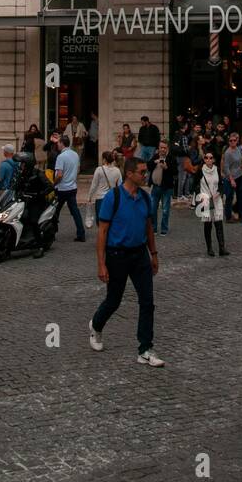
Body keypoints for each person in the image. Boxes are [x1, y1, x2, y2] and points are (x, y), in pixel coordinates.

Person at [89, 157, 164, 367]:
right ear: (129, 174)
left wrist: (154, 254)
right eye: (141, 172)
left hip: (140, 254)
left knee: (147, 302)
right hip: (117, 255)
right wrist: (101, 264)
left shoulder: (145, 198)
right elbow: (102, 232)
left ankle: (145, 349)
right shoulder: (113, 197)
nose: (145, 175)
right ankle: (96, 325)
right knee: (114, 301)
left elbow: (149, 227)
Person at [197, 150, 228, 257]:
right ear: (204, 159)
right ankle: (209, 248)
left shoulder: (217, 170)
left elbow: (220, 184)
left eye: (211, 158)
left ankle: (222, 248)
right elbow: (195, 185)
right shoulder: (200, 170)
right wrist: (200, 197)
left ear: (214, 159)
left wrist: (219, 192)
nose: (208, 160)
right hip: (205, 200)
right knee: (208, 225)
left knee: (219, 224)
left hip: (216, 199)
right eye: (206, 158)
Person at [53, 141, 86, 241]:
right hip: (72, 187)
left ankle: (51, 233)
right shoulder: (75, 154)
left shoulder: (61, 157)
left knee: (55, 212)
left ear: (62, 144)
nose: (57, 145)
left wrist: (53, 184)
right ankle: (81, 234)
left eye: (58, 143)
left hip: (62, 188)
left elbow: (59, 175)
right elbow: (78, 169)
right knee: (75, 211)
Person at [148, 139, 177, 237]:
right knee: (152, 209)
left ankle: (164, 229)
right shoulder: (156, 156)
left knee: (165, 210)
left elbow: (175, 172)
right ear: (158, 148)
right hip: (155, 187)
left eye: (164, 148)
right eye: (161, 147)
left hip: (167, 188)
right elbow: (148, 166)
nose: (163, 150)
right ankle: (154, 228)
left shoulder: (171, 158)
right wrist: (155, 162)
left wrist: (166, 168)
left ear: (167, 148)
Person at [87, 150, 122, 227]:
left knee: (101, 221)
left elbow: (94, 185)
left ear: (105, 159)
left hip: (100, 198)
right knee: (111, 219)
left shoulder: (99, 169)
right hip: (112, 197)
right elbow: (120, 185)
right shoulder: (117, 170)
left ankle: (102, 236)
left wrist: (90, 197)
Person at [221, 132, 242, 222]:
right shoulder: (227, 153)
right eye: (230, 141)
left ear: (237, 141)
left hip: (241, 175)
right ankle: (228, 217)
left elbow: (241, 159)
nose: (232, 142)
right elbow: (226, 168)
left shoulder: (238, 149)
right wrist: (231, 180)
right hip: (231, 177)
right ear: (228, 142)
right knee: (229, 197)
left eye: (234, 140)